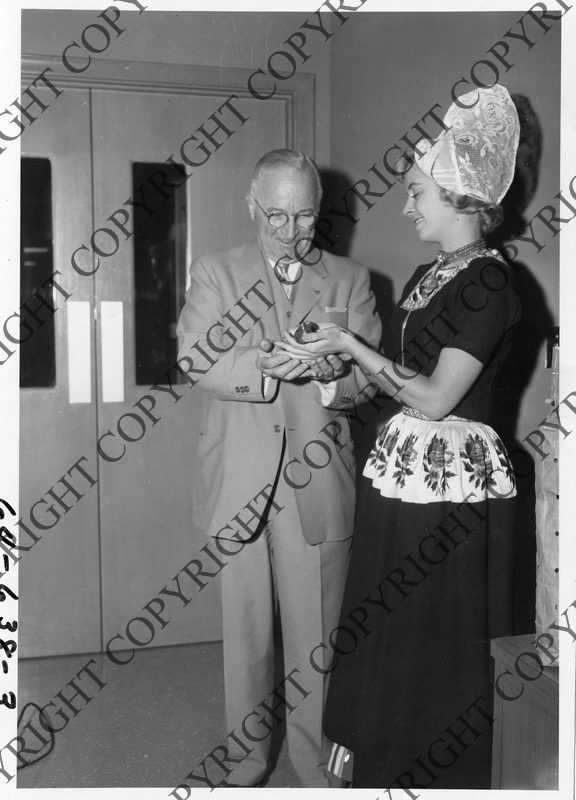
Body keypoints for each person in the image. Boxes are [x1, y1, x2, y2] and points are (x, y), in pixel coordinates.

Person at [277, 85, 522, 789]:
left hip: (452, 487)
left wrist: (353, 345)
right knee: (386, 611)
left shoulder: (490, 283)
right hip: (403, 472)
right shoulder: (428, 275)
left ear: (459, 201)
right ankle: (381, 760)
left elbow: (440, 398)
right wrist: (332, 362)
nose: (407, 206)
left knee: (432, 626)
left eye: (418, 194)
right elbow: (400, 382)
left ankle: (436, 770)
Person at [176, 149, 382, 788]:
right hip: (238, 476)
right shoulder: (214, 273)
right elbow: (195, 358)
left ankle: (315, 768)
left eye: (305, 216)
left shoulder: (351, 278)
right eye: (276, 216)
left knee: (317, 643)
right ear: (250, 206)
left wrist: (331, 379)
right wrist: (262, 366)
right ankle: (244, 764)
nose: (292, 231)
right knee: (245, 641)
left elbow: (366, 381)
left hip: (316, 483)